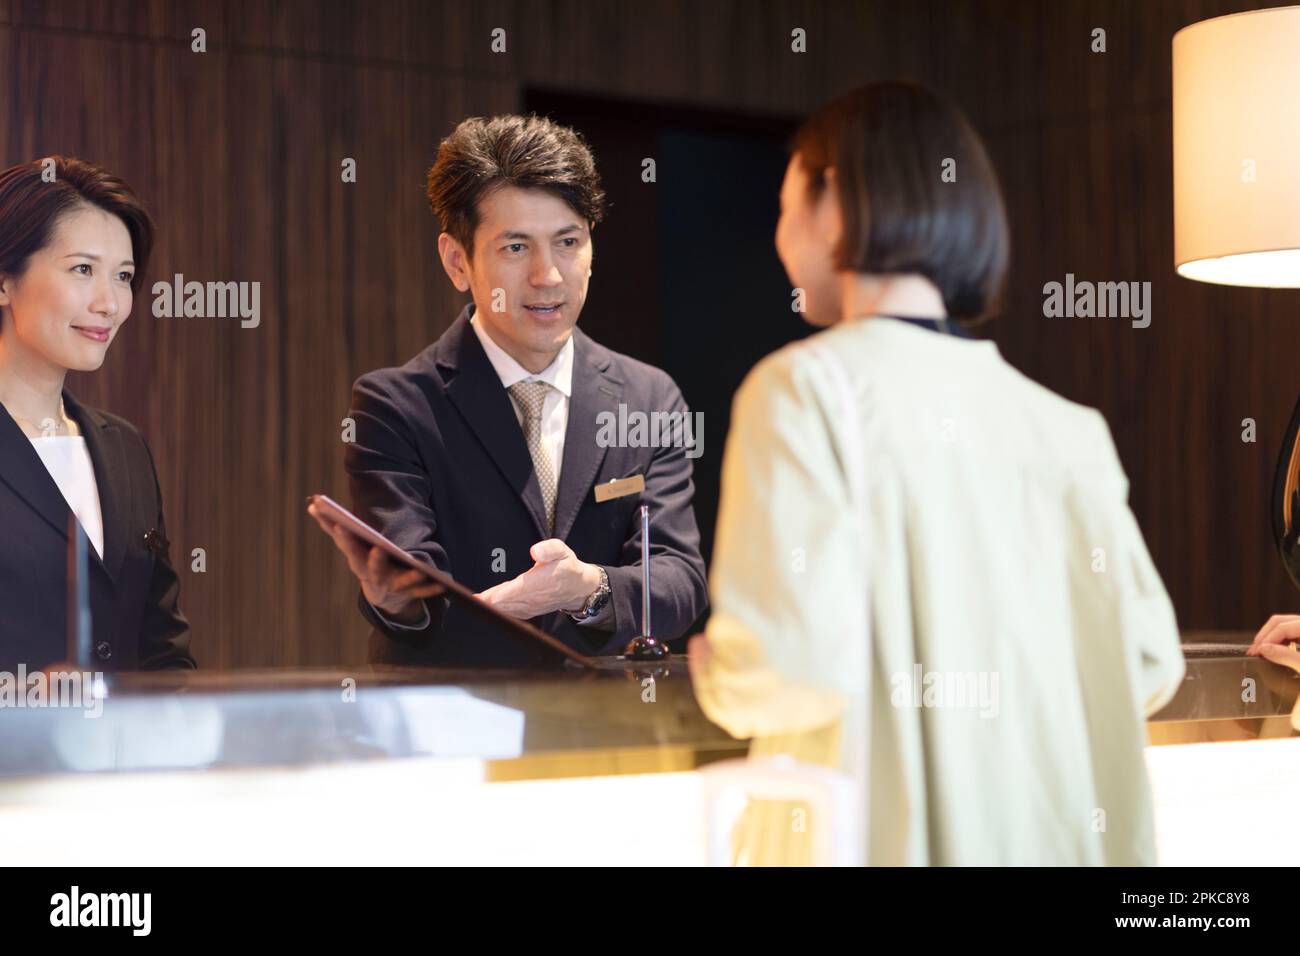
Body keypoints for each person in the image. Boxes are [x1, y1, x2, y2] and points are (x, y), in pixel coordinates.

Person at [688, 82, 1185, 865]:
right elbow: (1151, 660)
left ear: (837, 203)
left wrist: (719, 671)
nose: (780, 233)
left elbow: (789, 664)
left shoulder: (805, 390)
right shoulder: (1065, 428)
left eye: (787, 206)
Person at [313, 115, 708, 667]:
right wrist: (396, 599)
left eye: (568, 242)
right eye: (516, 247)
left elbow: (680, 580)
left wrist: (588, 589)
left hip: (603, 731)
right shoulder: (396, 407)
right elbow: (416, 595)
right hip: (455, 727)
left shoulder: (648, 397)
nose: (548, 275)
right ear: (458, 261)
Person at [0, 156, 194, 672]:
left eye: (125, 276)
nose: (110, 303)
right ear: (4, 280)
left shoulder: (123, 447)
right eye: (83, 269)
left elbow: (163, 648)